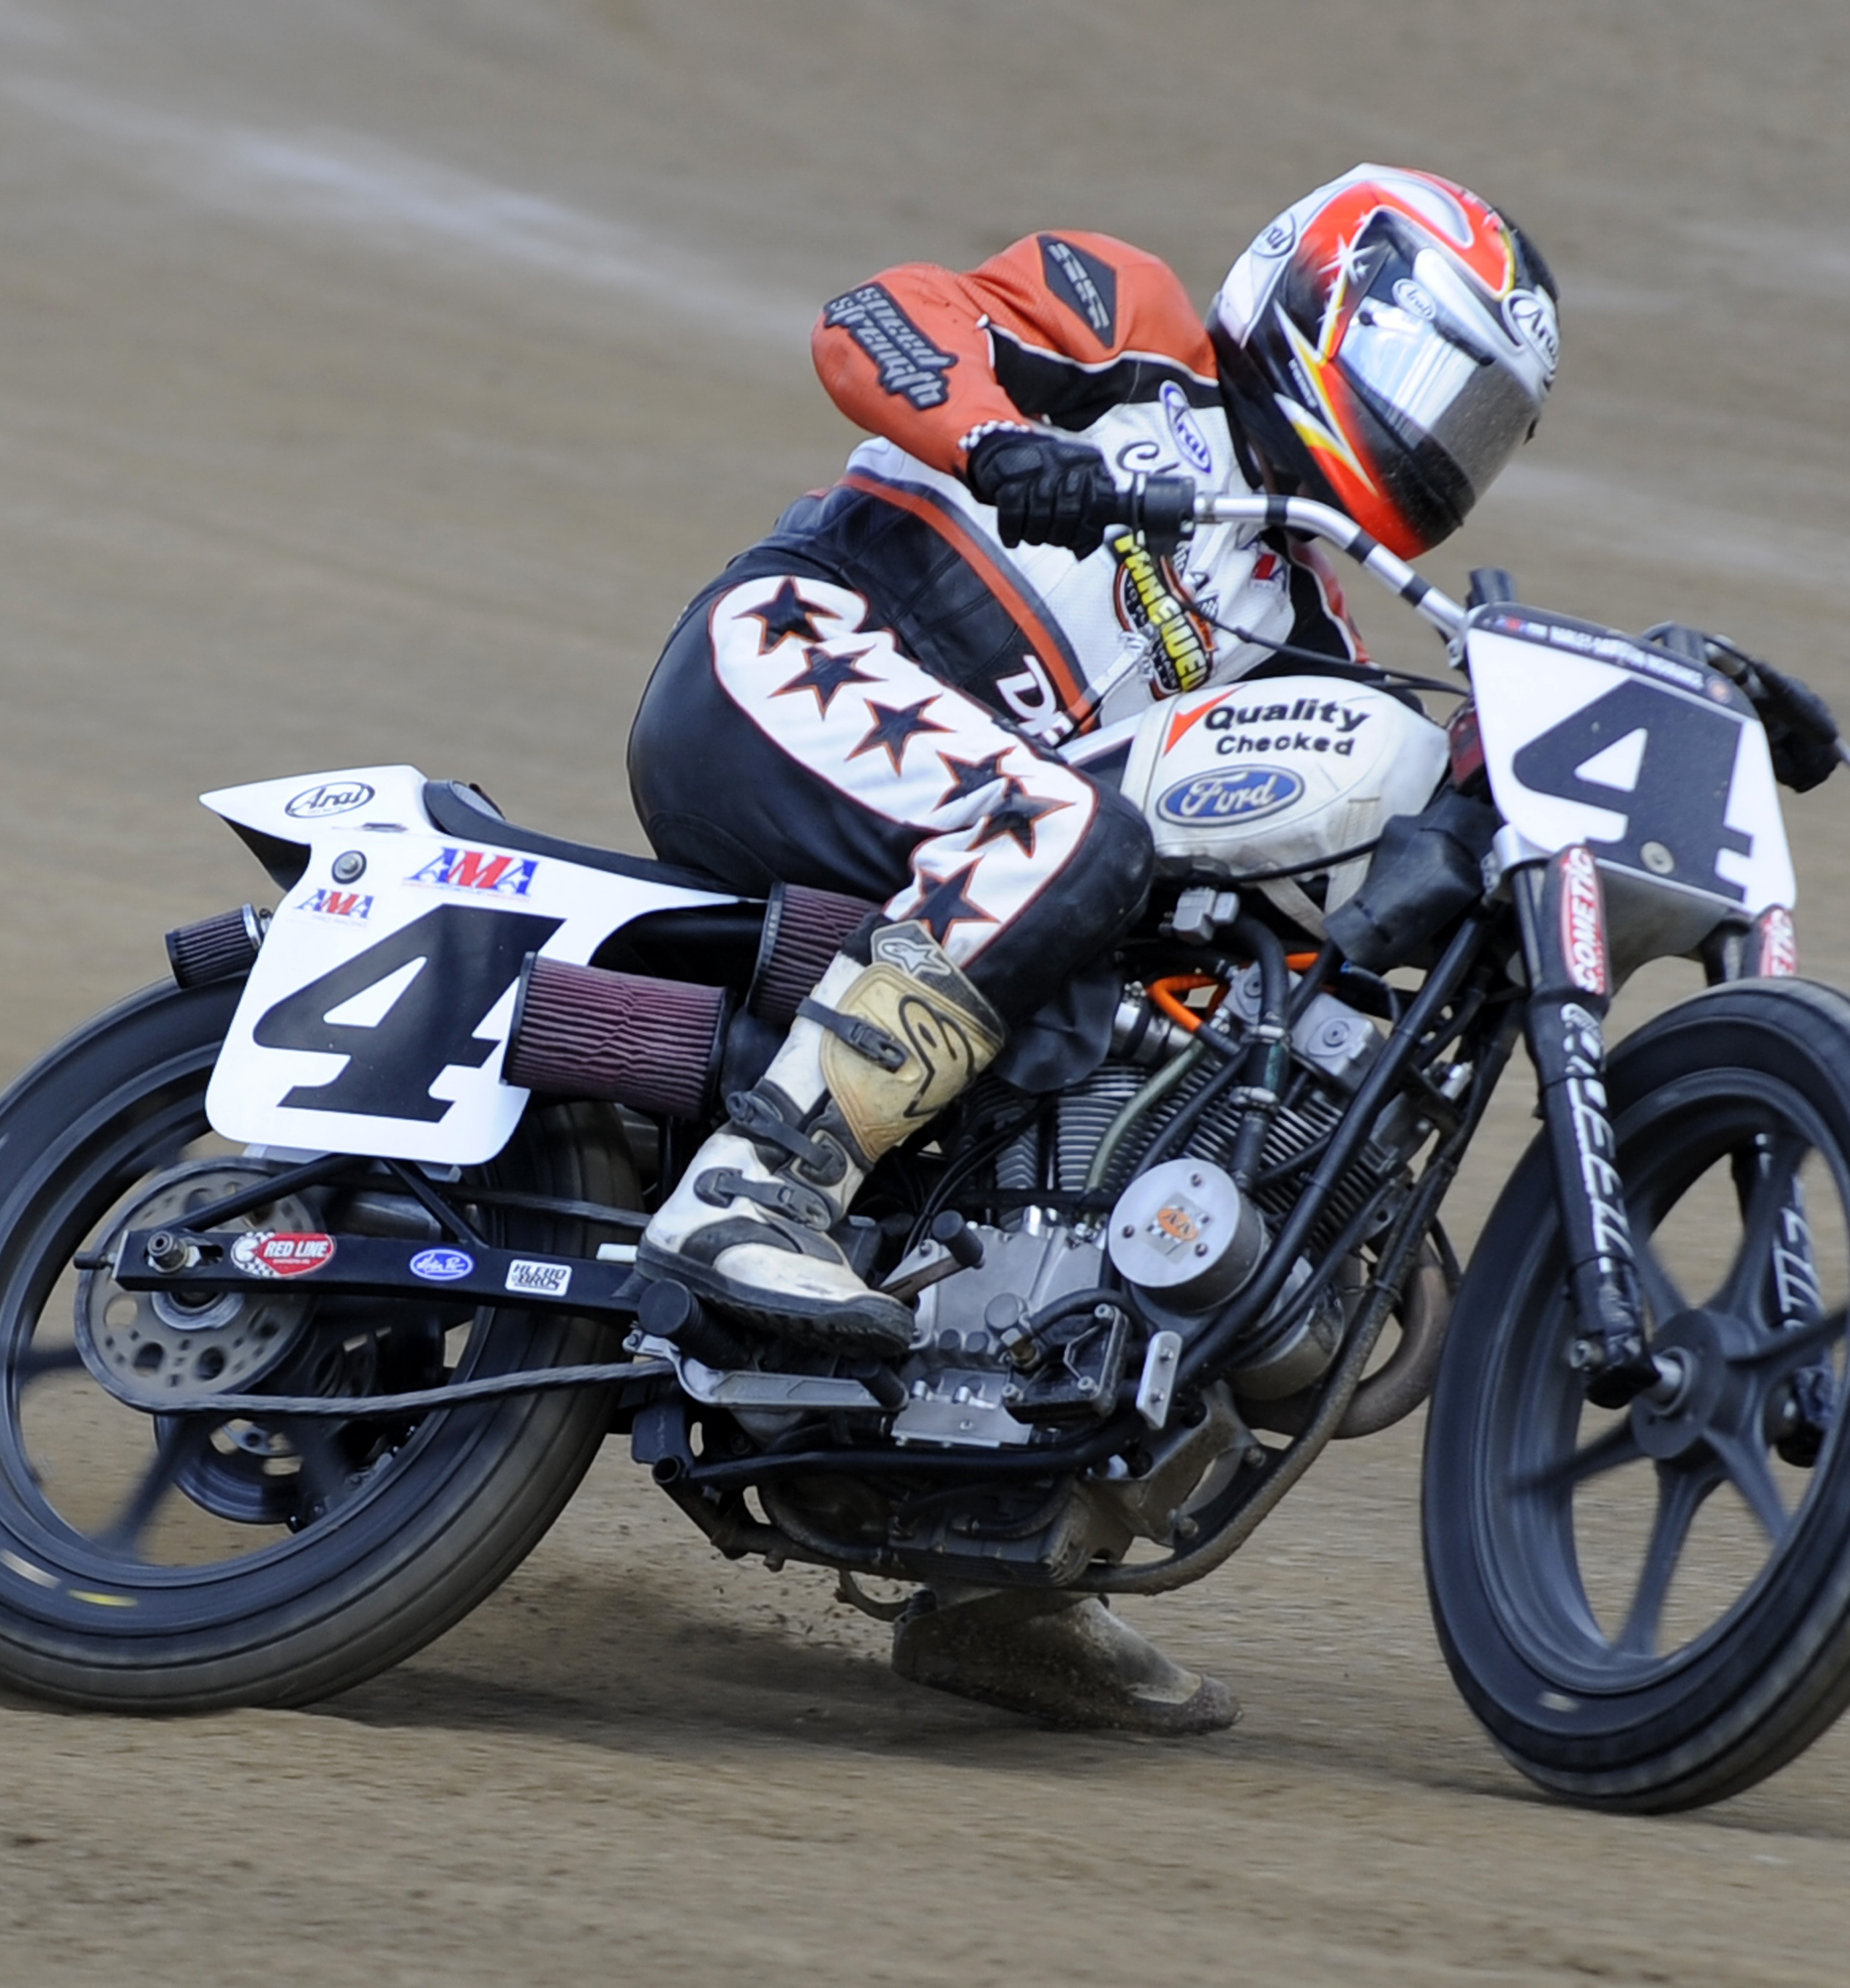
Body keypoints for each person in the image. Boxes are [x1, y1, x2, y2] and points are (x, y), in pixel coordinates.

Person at [620, 166, 1566, 1735]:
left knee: (1247, 1066)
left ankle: (1001, 1554)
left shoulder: (1314, 638)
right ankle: (757, 1187)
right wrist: (1004, 443)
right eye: (1431, 376)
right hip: (797, 656)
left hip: (989, 856)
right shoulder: (1134, 329)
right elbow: (881, 318)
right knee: (1075, 832)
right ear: (1327, 299)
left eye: (1480, 423)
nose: (1439, 438)